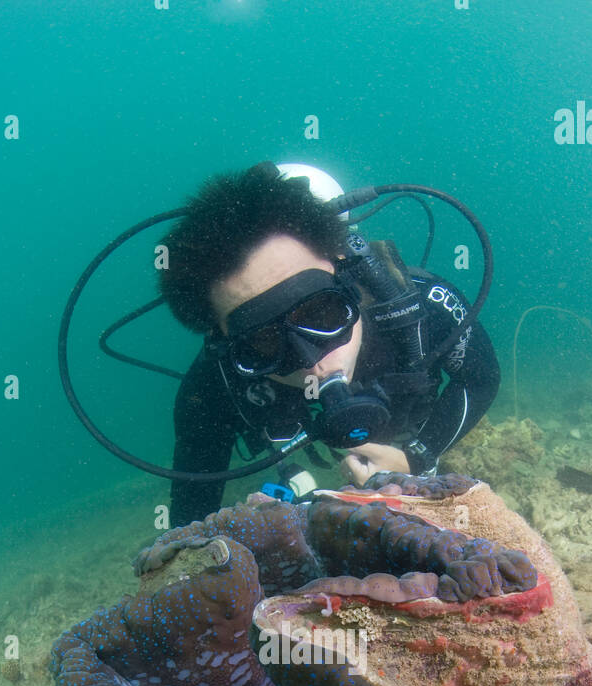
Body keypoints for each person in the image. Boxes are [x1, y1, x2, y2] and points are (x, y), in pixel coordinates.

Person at [157, 163, 500, 527]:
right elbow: (188, 521)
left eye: (321, 313)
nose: (313, 363)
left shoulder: (423, 303)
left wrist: (418, 455)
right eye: (265, 339)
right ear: (223, 341)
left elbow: (480, 379)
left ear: (344, 268)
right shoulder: (211, 388)